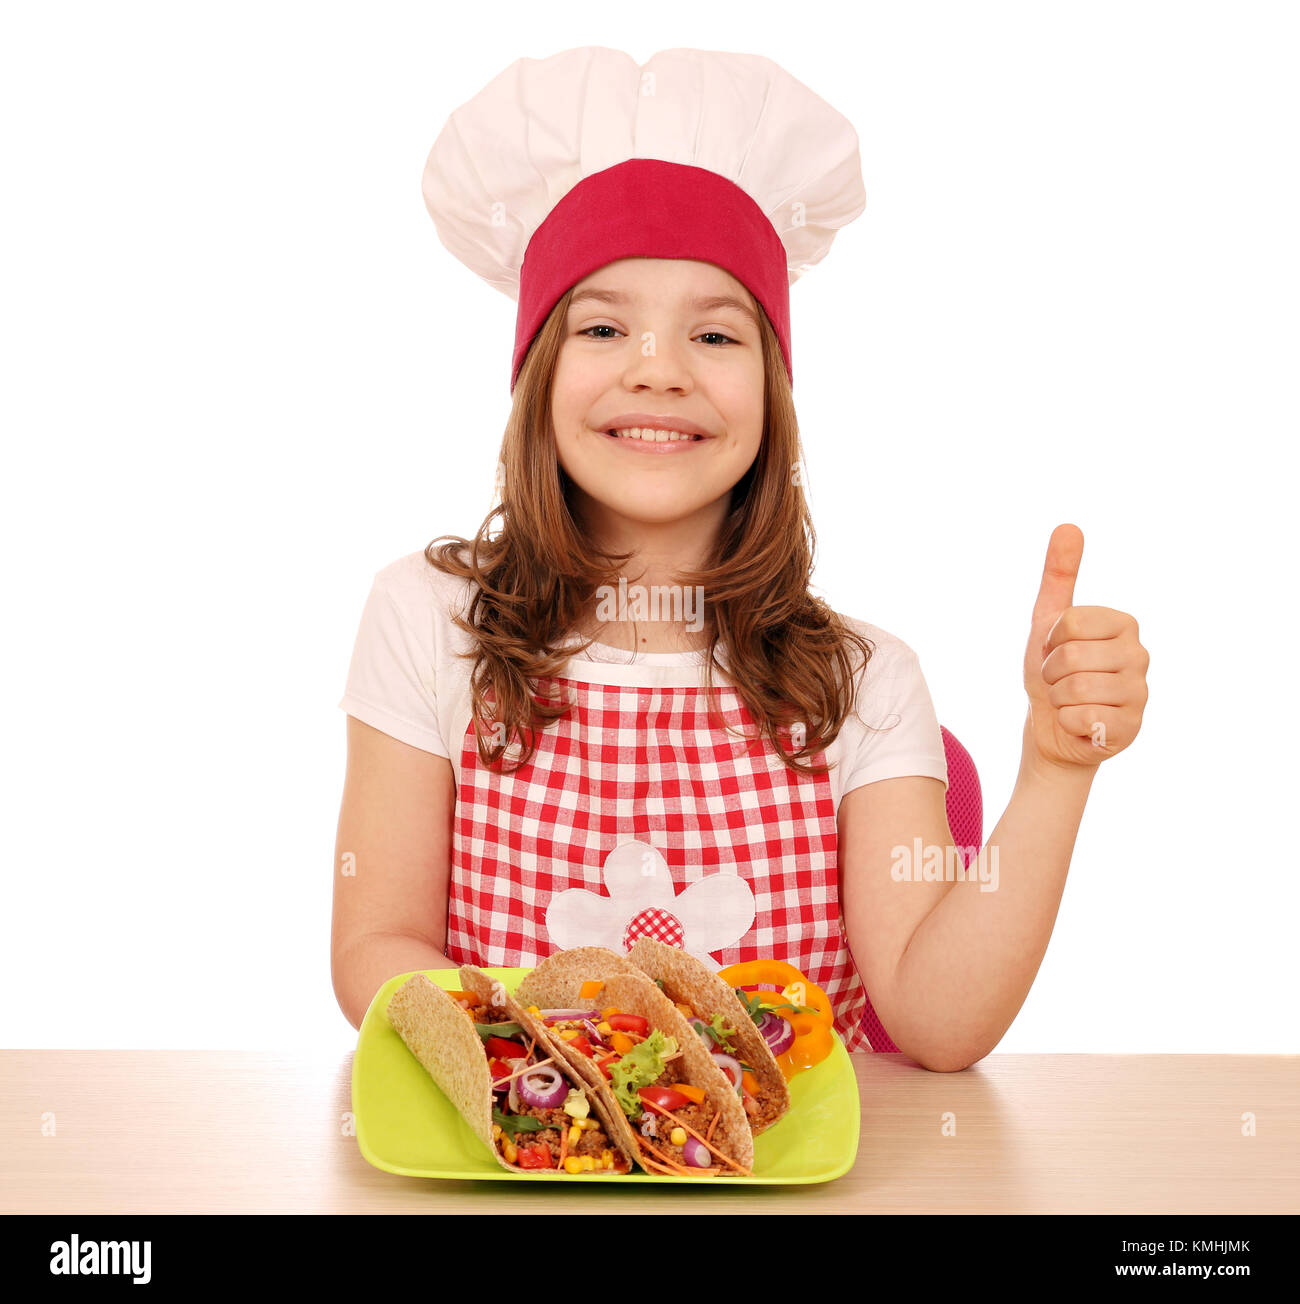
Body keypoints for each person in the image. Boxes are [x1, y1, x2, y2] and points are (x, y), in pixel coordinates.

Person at [331, 48, 1150, 1069]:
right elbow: (374, 946)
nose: (658, 369)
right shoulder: (427, 622)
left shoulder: (866, 682)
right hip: (529, 1152)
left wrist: (1055, 766)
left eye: (714, 336)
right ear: (537, 378)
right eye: (601, 325)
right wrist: (576, 1076)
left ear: (772, 393)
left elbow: (941, 1026)